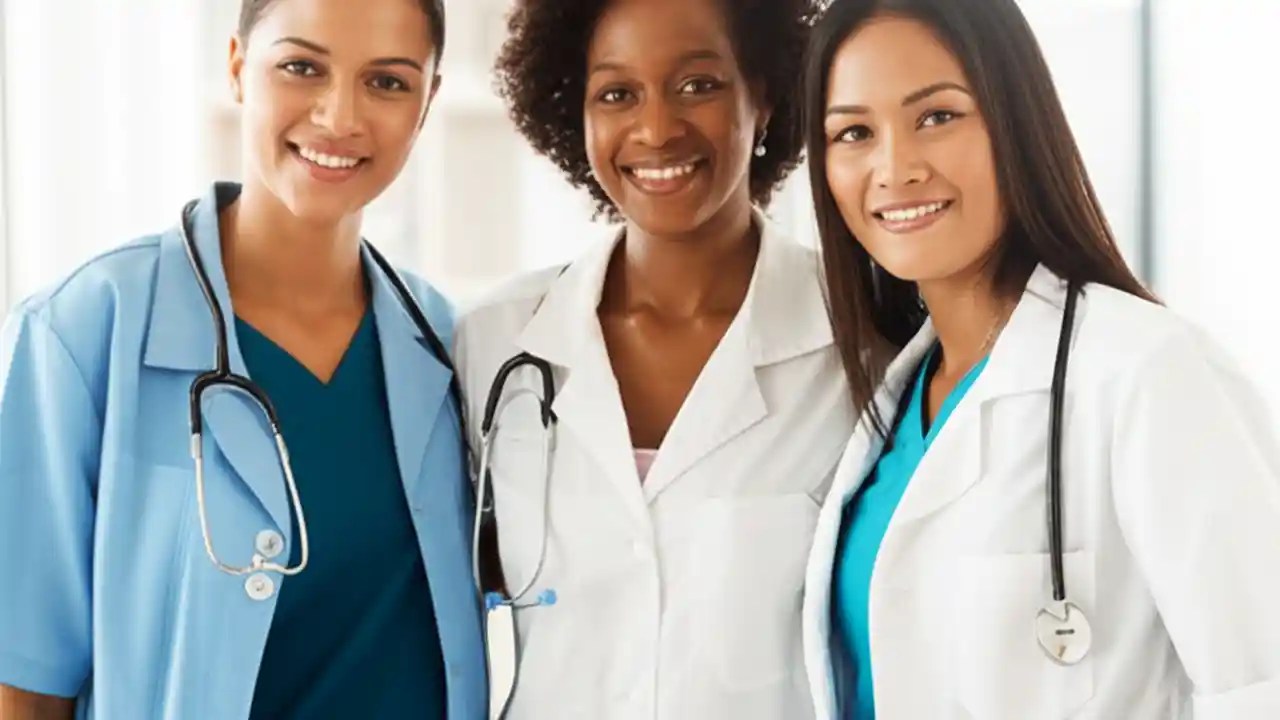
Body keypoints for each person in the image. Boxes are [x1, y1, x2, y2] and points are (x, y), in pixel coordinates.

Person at [0, 0, 485, 717]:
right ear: (237, 67)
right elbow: (25, 681)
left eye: (387, 82)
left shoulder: (448, 341)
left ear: (427, 102)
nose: (339, 117)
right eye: (301, 67)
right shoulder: (84, 329)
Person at [797, 0, 1280, 717]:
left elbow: (1261, 686)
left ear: (1015, 121)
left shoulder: (1149, 372)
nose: (895, 168)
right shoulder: (893, 401)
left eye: (937, 116)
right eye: (854, 133)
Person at [453, 0, 852, 716]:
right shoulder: (494, 342)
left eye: (698, 85)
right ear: (573, 111)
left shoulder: (861, 341)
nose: (657, 128)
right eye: (617, 94)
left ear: (763, 96)